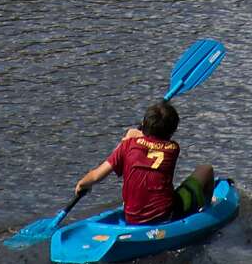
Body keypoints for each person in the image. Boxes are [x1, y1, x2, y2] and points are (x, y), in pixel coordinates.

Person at [71, 97, 214, 226]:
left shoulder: (127, 145)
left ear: (144, 124)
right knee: (206, 170)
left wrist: (81, 184)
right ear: (173, 131)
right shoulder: (173, 148)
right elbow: (154, 142)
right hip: (166, 215)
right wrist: (136, 134)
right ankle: (208, 212)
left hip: (131, 218)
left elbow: (95, 176)